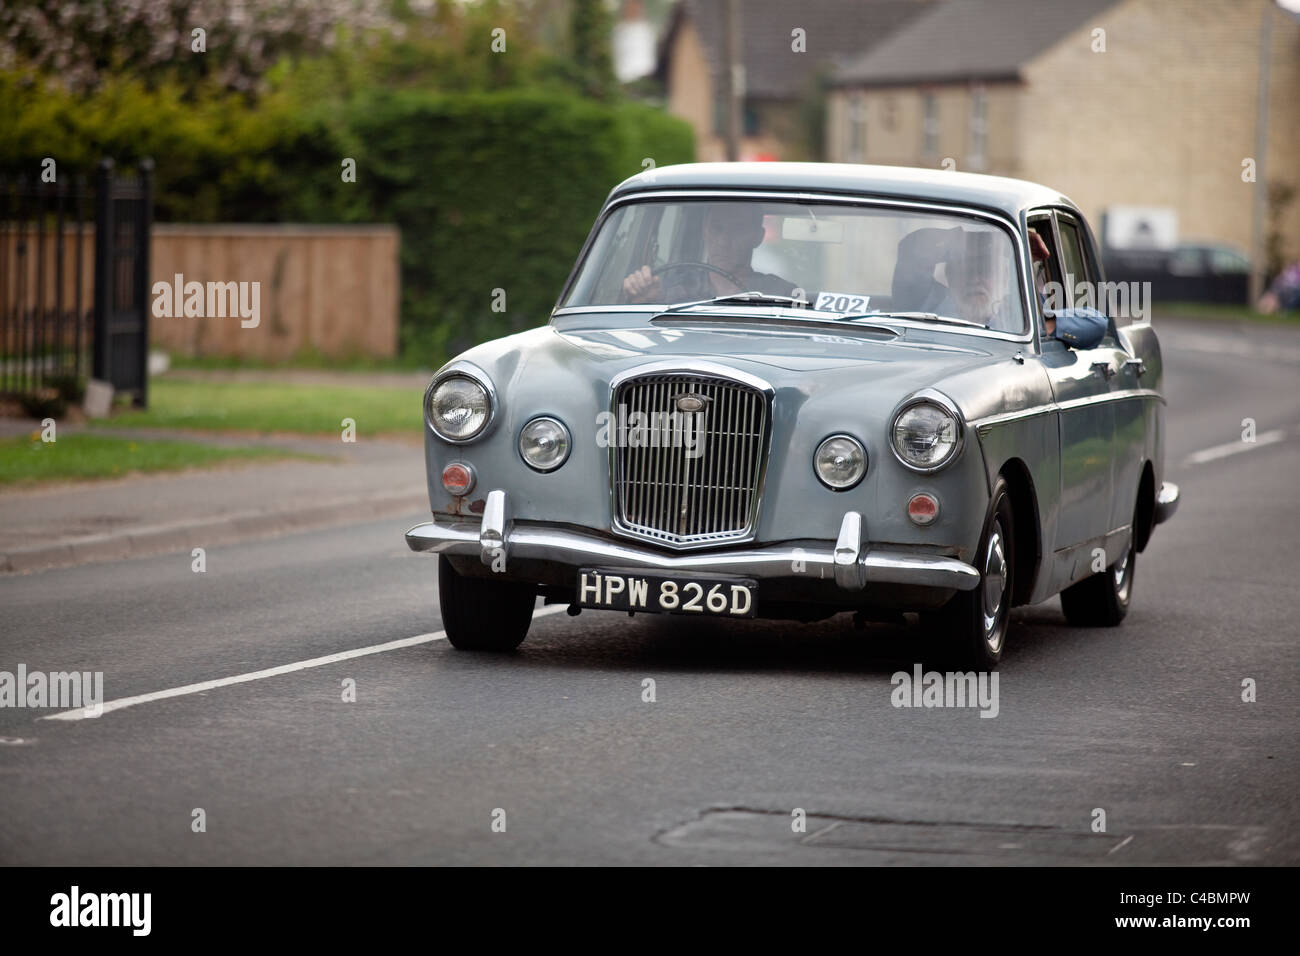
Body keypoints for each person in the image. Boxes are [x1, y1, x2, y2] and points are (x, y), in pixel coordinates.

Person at [622, 204, 796, 304]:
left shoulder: (781, 294)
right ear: (705, 231)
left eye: (737, 230)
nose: (723, 241)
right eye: (716, 228)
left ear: (757, 237)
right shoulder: (670, 289)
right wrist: (647, 299)